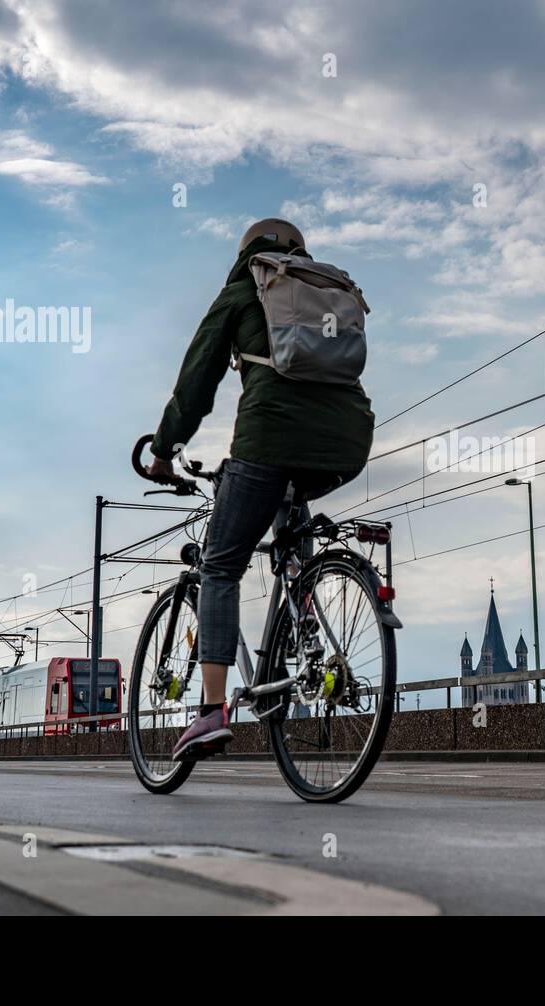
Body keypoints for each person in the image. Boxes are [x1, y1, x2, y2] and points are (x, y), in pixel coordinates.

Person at [147, 218, 374, 762]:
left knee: (221, 566)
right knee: (287, 517)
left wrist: (163, 449)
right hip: (346, 445)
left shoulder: (243, 290)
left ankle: (210, 713)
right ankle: (304, 616)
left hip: (269, 440)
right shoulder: (326, 287)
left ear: (247, 251)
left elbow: (197, 381)